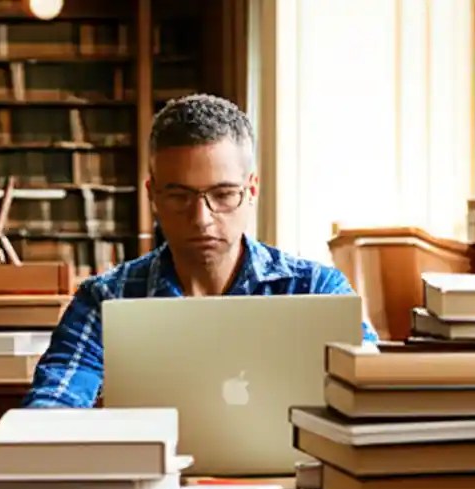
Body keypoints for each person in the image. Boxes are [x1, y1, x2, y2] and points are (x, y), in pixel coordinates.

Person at [22, 93, 376, 409]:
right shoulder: (106, 298)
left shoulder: (318, 291)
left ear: (251, 190)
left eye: (223, 195)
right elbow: (54, 402)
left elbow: (377, 394)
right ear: (153, 195)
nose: (201, 218)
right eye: (179, 196)